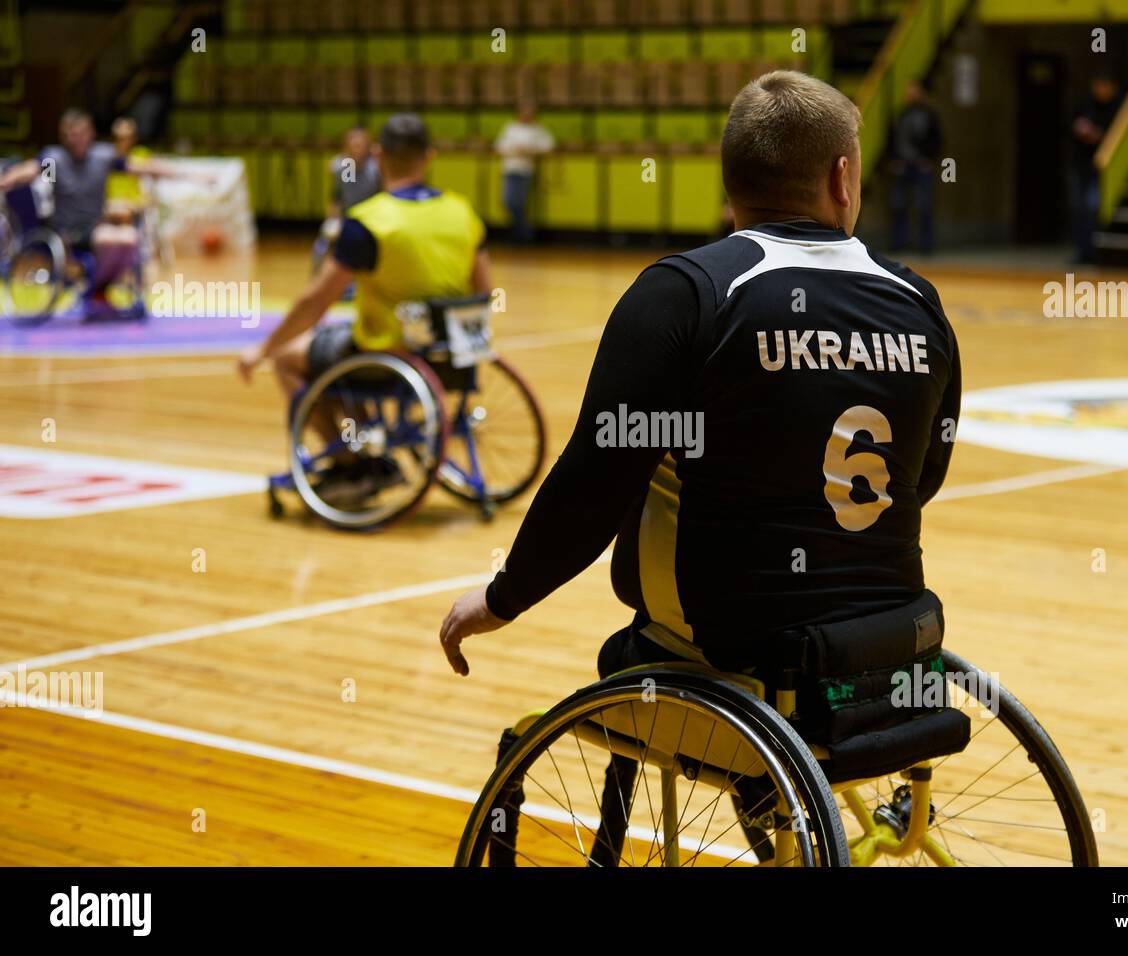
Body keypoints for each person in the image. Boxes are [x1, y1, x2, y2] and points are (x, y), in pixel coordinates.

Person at [439, 72, 961, 696]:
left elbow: (593, 481)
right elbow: (925, 473)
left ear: (731, 181)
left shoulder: (685, 292)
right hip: (892, 643)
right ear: (841, 178)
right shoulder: (917, 301)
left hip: (730, 650)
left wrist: (503, 598)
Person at [237, 113, 491, 497]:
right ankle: (366, 449)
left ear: (378, 155)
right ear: (430, 156)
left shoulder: (369, 222)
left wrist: (263, 348)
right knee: (331, 357)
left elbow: (315, 302)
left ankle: (350, 464)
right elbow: (483, 293)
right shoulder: (463, 212)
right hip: (450, 356)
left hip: (386, 356)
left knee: (291, 359)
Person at [0, 109, 194, 307]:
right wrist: (6, 181)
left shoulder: (102, 157)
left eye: (79, 134)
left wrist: (187, 175)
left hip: (95, 225)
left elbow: (141, 167)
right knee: (111, 237)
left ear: (90, 133)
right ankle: (92, 287)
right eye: (69, 135)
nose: (74, 140)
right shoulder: (54, 160)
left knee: (130, 238)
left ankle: (98, 288)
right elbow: (31, 171)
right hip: (67, 230)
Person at [313, 126, 382, 275]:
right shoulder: (343, 168)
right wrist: (332, 219)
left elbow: (381, 196)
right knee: (324, 241)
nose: (356, 149)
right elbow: (338, 195)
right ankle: (317, 277)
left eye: (360, 145)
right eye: (352, 145)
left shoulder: (376, 168)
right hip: (348, 217)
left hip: (372, 218)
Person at [888, 79, 941, 255]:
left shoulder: (929, 115)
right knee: (898, 205)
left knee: (924, 206)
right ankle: (899, 243)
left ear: (922, 93)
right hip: (902, 165)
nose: (910, 93)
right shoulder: (901, 113)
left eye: (914, 89)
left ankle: (925, 245)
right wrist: (894, 159)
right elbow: (893, 138)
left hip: (921, 166)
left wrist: (929, 159)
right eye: (909, 89)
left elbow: (937, 140)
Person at [1071, 74, 1120, 265]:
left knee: (1093, 208)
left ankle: (1095, 253)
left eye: (1105, 86)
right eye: (1098, 85)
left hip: (1102, 168)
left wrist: (1097, 135)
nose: (1101, 90)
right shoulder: (1085, 105)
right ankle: (1082, 252)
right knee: (1079, 209)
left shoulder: (1117, 109)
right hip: (1081, 165)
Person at [494, 104, 554, 243]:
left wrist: (530, 150)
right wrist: (515, 150)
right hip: (509, 169)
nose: (526, 115)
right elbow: (499, 146)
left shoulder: (537, 129)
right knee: (507, 201)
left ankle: (523, 235)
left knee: (518, 203)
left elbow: (549, 145)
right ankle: (521, 232)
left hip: (524, 170)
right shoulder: (510, 127)